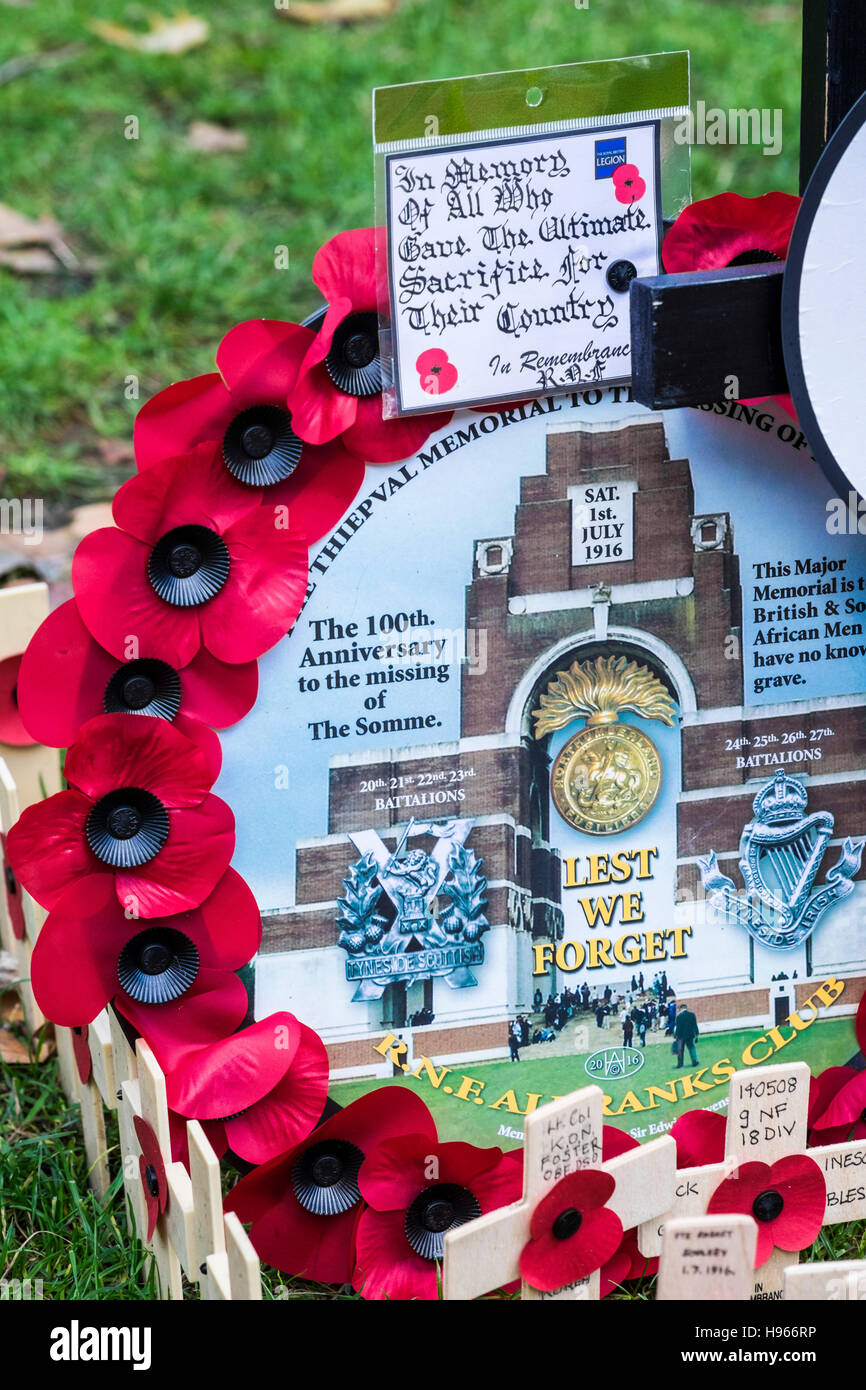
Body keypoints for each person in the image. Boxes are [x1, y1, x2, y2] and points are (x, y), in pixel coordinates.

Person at [674, 1002, 700, 1068]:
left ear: (680, 1009)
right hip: (690, 1035)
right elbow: (695, 1025)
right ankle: (694, 1061)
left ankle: (680, 1064)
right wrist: (696, 1034)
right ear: (686, 1008)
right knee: (692, 1048)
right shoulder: (692, 1015)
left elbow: (678, 1028)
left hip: (681, 1036)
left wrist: (676, 1036)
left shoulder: (678, 1017)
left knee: (680, 1050)